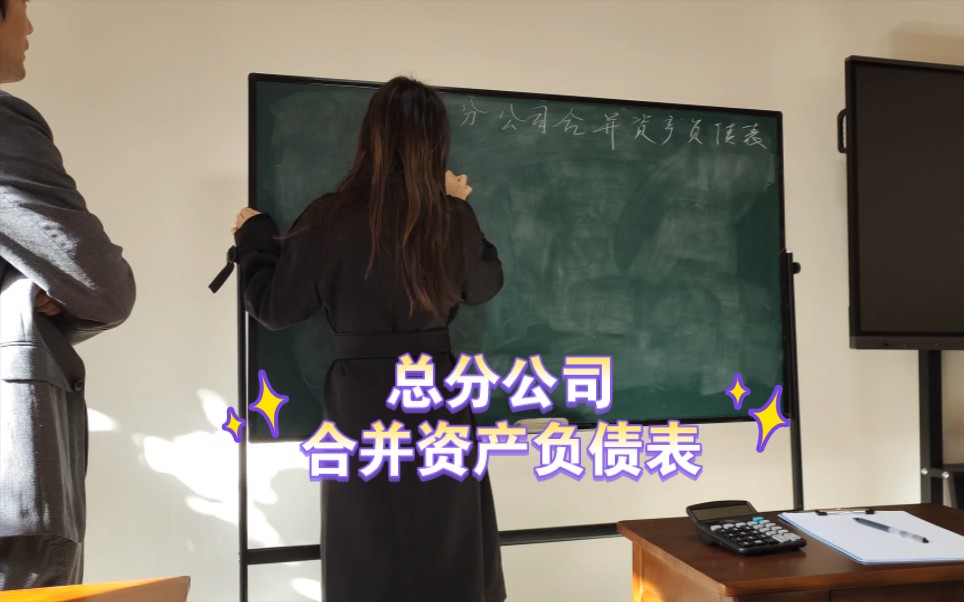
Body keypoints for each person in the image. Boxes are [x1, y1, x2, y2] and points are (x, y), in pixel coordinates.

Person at [233, 76, 506, 602]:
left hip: (361, 400)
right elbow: (485, 284)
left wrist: (254, 239)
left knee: (365, 544)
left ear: (370, 138)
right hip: (436, 395)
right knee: (447, 542)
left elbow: (274, 309)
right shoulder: (448, 216)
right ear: (436, 142)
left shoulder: (328, 216)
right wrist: (458, 206)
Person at [0, 0, 136, 589]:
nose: (29, 26)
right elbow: (102, 286)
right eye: (19, 9)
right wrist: (28, 291)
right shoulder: (5, 127)